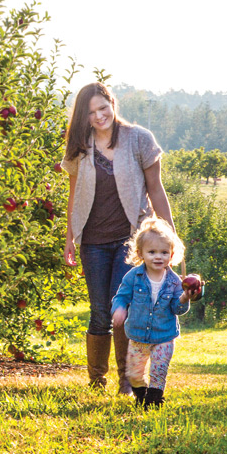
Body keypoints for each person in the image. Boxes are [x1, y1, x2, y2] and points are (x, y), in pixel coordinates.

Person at [60, 82, 175, 395]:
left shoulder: (138, 139)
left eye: (103, 107)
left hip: (130, 240)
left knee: (121, 309)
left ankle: (126, 382)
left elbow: (156, 190)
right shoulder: (80, 145)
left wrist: (169, 235)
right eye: (91, 112)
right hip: (93, 242)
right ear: (83, 117)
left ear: (112, 103)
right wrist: (70, 237)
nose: (99, 116)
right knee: (99, 312)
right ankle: (96, 382)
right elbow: (74, 194)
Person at [110, 218, 203, 407]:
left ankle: (153, 402)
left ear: (171, 254)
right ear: (140, 253)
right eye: (151, 252)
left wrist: (185, 298)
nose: (158, 257)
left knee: (159, 370)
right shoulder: (133, 277)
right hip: (137, 335)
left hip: (164, 335)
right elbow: (121, 296)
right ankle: (141, 395)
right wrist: (119, 309)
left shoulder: (175, 281)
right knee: (134, 375)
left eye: (164, 252)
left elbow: (177, 309)